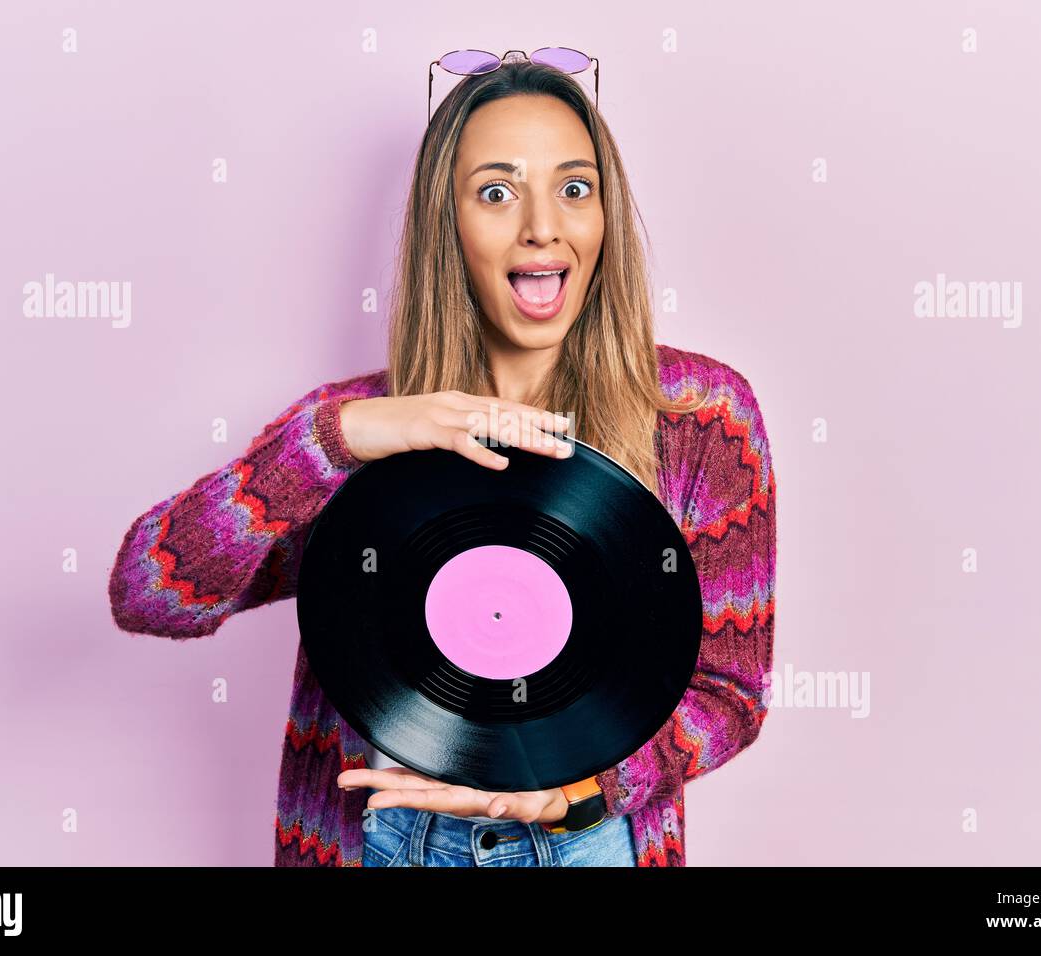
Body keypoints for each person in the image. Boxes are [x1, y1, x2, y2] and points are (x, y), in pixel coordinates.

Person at [108, 58, 776, 867]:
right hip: (382, 844)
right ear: (446, 224)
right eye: (497, 192)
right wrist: (333, 440)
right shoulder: (357, 428)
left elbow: (730, 694)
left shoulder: (704, 418)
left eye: (574, 188)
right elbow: (149, 590)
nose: (541, 226)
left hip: (590, 844)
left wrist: (577, 796)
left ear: (605, 214)